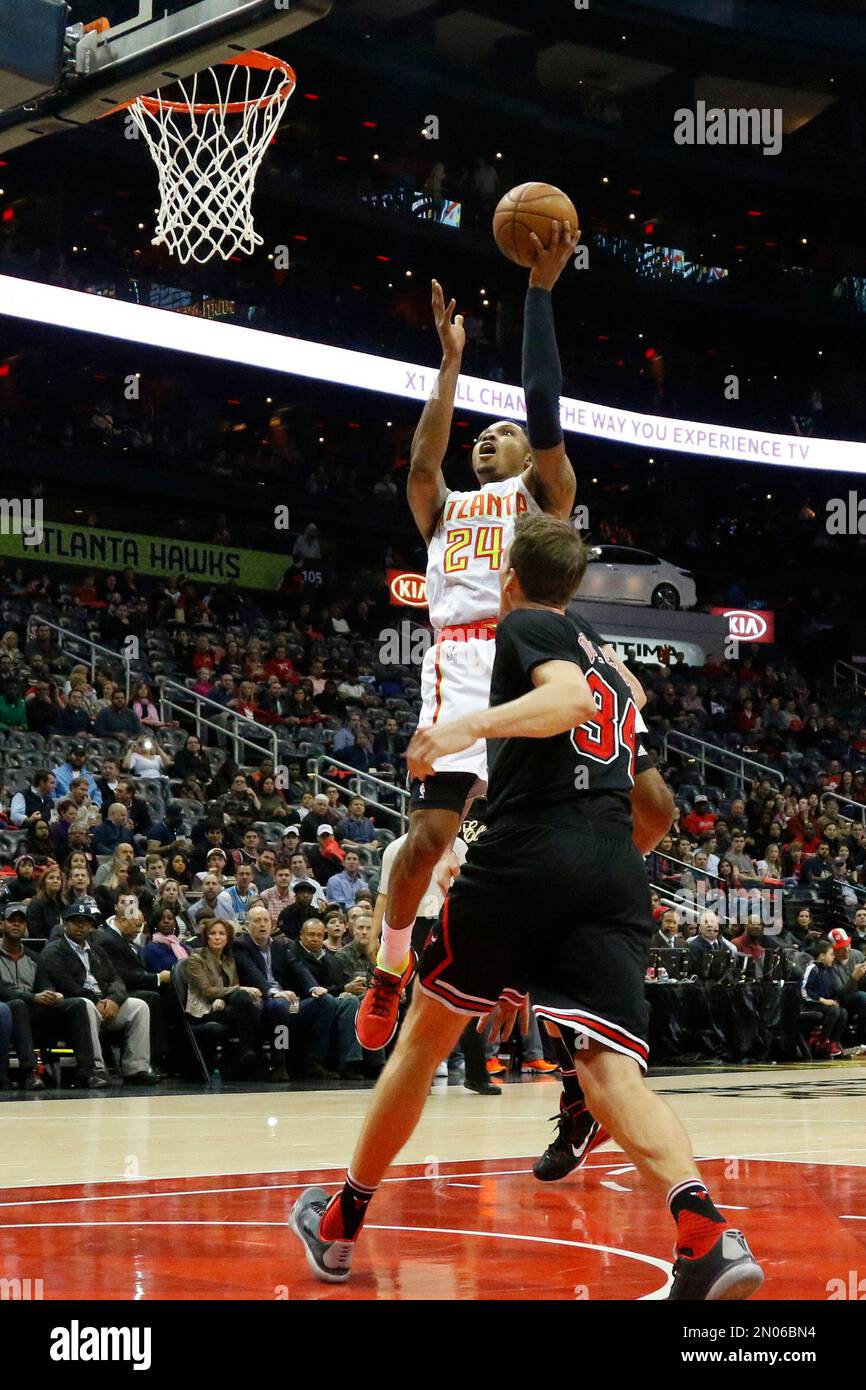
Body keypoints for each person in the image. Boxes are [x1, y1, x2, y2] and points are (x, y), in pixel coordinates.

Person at [292, 513, 761, 1300]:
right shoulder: (613, 666)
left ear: (508, 576)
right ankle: (708, 1234)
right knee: (611, 1072)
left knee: (421, 1042)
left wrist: (464, 727)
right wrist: (569, 896)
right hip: (612, 865)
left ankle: (339, 1225)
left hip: (527, 852)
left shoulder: (528, 628)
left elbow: (567, 702)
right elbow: (656, 811)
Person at [357, 233, 633, 1055]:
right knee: (428, 840)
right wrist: (448, 364)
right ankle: (389, 961)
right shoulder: (445, 508)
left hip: (524, 659)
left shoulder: (544, 497)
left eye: (501, 432)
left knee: (514, 841)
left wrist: (539, 299)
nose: (489, 439)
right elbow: (419, 463)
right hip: (455, 665)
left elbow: (545, 412)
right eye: (482, 435)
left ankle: (522, 977)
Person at [35, 899, 158, 1085]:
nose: (80, 925)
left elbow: (116, 979)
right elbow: (66, 985)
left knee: (139, 1006)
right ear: (65, 924)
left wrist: (114, 1000)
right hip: (70, 1010)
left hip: (104, 1006)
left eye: (85, 921)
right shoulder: (54, 951)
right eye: (75, 920)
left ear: (91, 926)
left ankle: (136, 1069)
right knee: (86, 1005)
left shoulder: (97, 950)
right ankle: (95, 1069)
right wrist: (96, 1000)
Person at [0, 902, 102, 1087]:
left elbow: (44, 983)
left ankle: (86, 1072)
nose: (16, 925)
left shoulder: (34, 957)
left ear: (26, 927)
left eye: (21, 922)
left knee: (77, 1004)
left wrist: (52, 994)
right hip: (8, 1013)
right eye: (11, 920)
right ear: (2, 924)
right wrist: (33, 997)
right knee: (17, 1005)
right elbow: (2, 992)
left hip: (35, 1011)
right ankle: (30, 1073)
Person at [233, 903, 337, 1082]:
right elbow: (251, 972)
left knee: (326, 1001)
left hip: (285, 999)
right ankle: (279, 1062)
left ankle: (314, 1061)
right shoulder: (241, 945)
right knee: (280, 1005)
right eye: (257, 921)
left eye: (266, 920)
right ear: (247, 925)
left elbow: (298, 967)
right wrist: (272, 991)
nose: (262, 924)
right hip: (261, 1002)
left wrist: (313, 987)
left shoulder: (280, 945)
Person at [184, 919, 262, 1077]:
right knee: (243, 998)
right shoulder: (196, 958)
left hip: (222, 1006)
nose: (217, 937)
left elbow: (231, 987)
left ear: (228, 938)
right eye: (212, 934)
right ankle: (248, 1051)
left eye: (221, 934)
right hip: (203, 1009)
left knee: (251, 1005)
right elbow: (206, 990)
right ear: (206, 937)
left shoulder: (229, 960)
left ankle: (247, 1054)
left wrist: (224, 998)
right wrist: (236, 990)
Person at [801, 940, 849, 1058]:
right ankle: (822, 1042)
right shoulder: (812, 968)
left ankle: (833, 1042)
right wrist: (822, 1000)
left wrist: (833, 1000)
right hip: (810, 1004)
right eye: (831, 954)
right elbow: (804, 991)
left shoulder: (827, 970)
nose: (833, 957)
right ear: (822, 956)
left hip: (823, 1004)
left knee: (843, 1012)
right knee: (833, 1011)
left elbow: (829, 992)